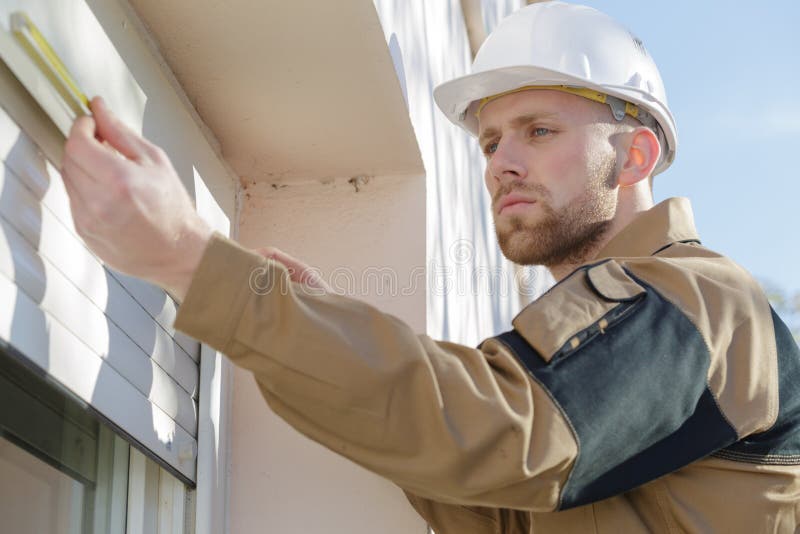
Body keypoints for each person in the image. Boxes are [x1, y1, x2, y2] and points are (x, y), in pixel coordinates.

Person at [60, 2, 800, 532]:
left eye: (538, 131)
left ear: (633, 156)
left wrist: (194, 263)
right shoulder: (622, 340)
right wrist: (314, 325)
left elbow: (496, 435)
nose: (502, 164)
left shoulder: (701, 299)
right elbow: (485, 498)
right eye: (489, 143)